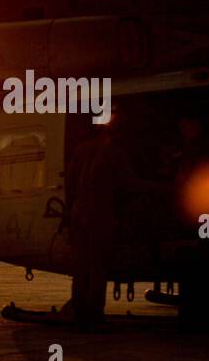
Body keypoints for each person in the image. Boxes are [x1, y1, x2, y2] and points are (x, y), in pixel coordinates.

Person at [62, 110, 156, 330]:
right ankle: (93, 315)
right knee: (97, 268)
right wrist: (160, 187)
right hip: (100, 217)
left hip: (78, 216)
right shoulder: (115, 153)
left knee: (81, 268)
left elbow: (70, 183)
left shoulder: (80, 150)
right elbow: (130, 184)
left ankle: (79, 312)